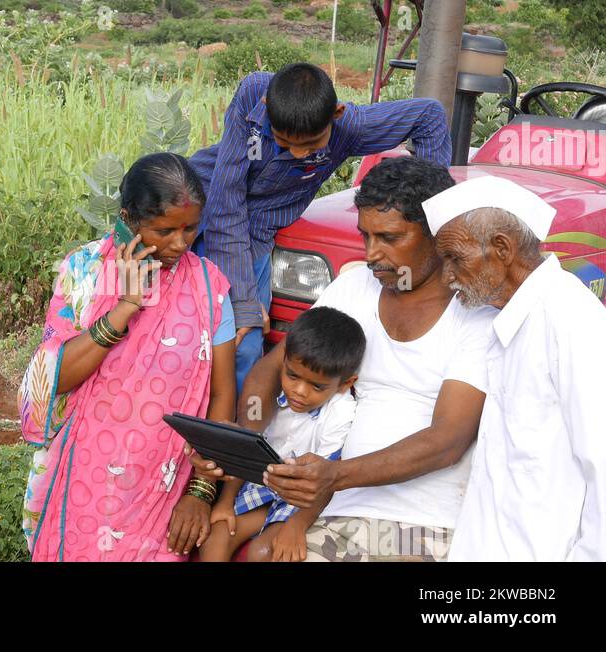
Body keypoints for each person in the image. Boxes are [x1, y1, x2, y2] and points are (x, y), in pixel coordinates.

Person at [189, 156, 496, 561]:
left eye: (389, 238)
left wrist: (336, 476)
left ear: (438, 233)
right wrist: (243, 453)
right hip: (332, 510)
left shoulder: (475, 314)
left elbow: (447, 441)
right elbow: (273, 369)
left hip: (424, 523)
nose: (372, 254)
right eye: (365, 236)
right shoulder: (353, 288)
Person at [18, 153, 237, 562]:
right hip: (83, 480)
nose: (180, 243)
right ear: (127, 218)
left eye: (191, 228)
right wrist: (125, 307)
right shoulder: (83, 272)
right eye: (164, 230)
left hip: (163, 484)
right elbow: (58, 378)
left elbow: (222, 396)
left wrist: (201, 492)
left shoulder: (209, 287)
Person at [189, 63, 452, 391]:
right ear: (269, 110)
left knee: (244, 343)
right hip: (194, 204)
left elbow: (428, 116)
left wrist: (429, 213)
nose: (299, 153)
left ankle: (227, 430)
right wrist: (242, 298)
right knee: (181, 326)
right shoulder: (256, 95)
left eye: (312, 145)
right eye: (284, 143)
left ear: (337, 114)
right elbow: (227, 200)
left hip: (253, 230)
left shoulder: (351, 126)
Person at [425, 175, 606, 561]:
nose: (447, 276)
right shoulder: (507, 318)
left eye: (455, 258)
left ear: (502, 249)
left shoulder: (569, 317)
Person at [200, 307, 365, 562]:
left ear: (345, 383)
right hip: (261, 480)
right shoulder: (268, 391)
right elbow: (247, 448)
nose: (299, 391)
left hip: (301, 495)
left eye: (317, 386)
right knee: (217, 534)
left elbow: (326, 481)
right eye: (292, 375)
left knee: (263, 552)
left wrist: (297, 525)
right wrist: (224, 501)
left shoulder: (341, 411)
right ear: (284, 360)